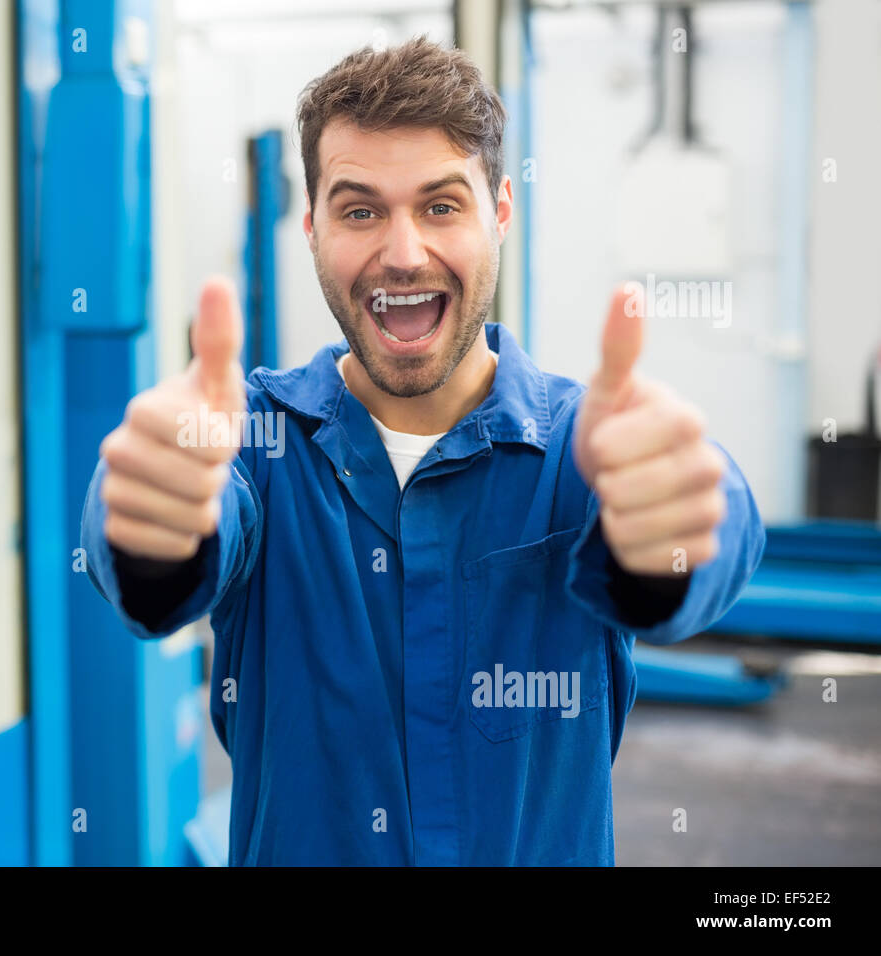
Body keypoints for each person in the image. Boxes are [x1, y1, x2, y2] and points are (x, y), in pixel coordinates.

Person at [79, 36, 765, 865]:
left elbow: (718, 524)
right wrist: (151, 531)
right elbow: (169, 528)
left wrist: (678, 534)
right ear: (312, 228)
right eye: (360, 209)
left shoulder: (580, 452)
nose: (402, 253)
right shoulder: (256, 443)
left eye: (441, 205)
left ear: (500, 212)